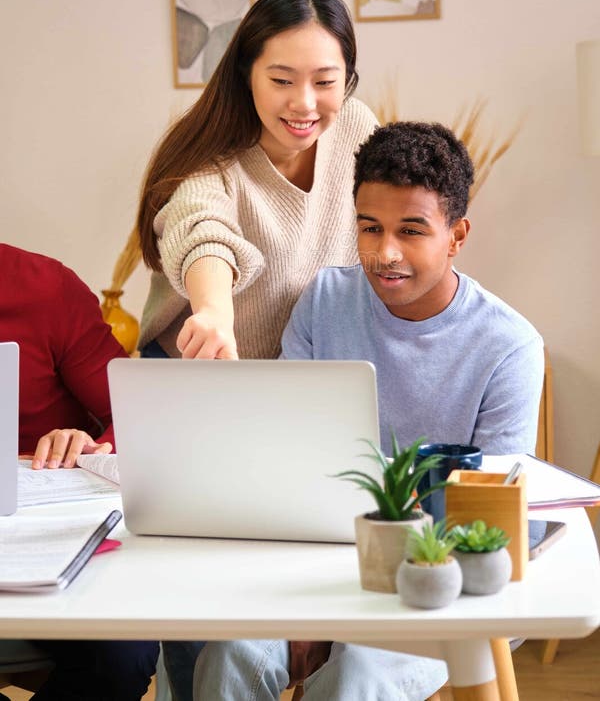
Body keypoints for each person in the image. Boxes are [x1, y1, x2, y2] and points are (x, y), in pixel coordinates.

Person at [192, 121, 545, 701]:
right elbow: (287, 457)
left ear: (456, 235)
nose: (385, 253)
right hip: (324, 567)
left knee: (355, 676)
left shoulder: (510, 346)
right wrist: (316, 609)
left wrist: (347, 614)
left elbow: (487, 523)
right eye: (370, 227)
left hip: (442, 579)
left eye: (411, 231)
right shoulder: (326, 299)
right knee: (230, 656)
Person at [135, 0, 378, 700]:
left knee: (299, 590)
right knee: (206, 599)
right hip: (202, 378)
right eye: (281, 79)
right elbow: (201, 229)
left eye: (325, 80)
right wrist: (213, 310)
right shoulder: (210, 153)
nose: (305, 102)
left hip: (300, 384)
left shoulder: (358, 129)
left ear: (348, 78)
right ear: (246, 73)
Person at [0, 243, 159, 701]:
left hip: (46, 537)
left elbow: (135, 412)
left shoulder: (45, 289)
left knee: (123, 655)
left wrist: (89, 446)